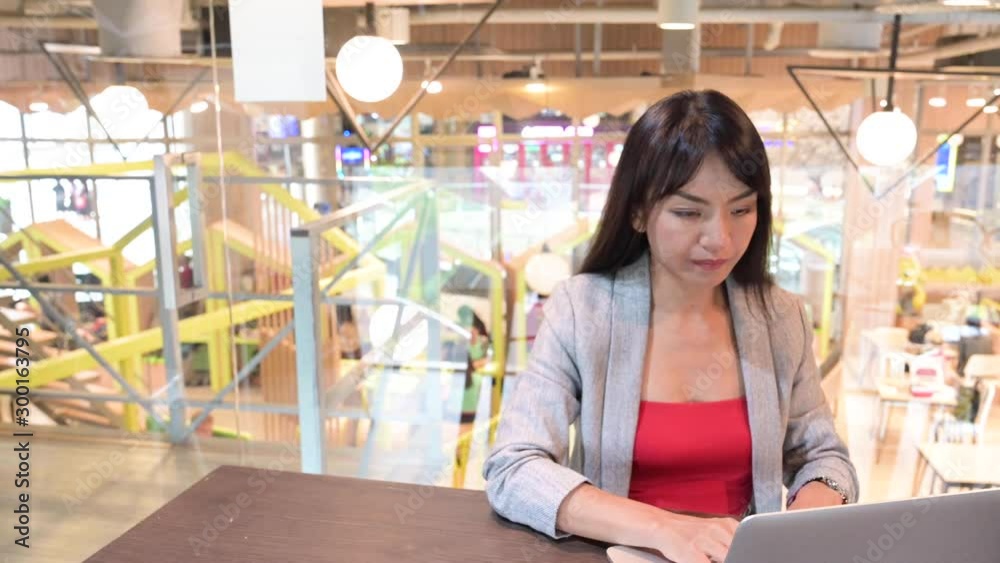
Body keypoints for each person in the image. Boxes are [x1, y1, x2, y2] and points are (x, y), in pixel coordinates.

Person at [482, 90, 858, 563]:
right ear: (638, 211)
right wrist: (664, 529)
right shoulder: (584, 310)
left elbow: (825, 458)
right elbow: (514, 468)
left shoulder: (779, 318)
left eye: (741, 210)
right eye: (688, 212)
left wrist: (796, 526)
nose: (720, 238)